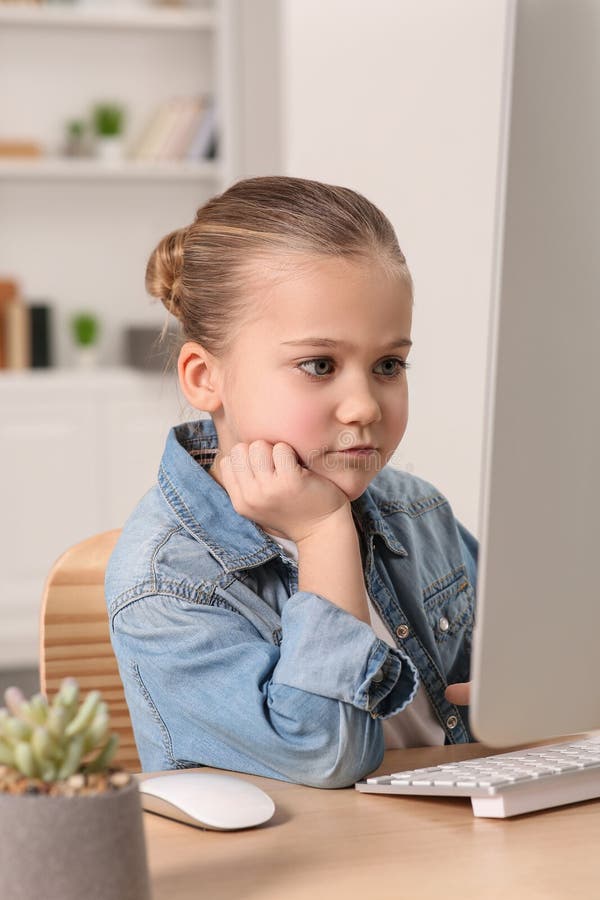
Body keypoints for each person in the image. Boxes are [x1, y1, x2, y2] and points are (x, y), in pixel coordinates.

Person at [105, 175, 477, 788]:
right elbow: (326, 755)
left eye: (388, 364)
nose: (363, 406)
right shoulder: (165, 586)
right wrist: (324, 535)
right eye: (319, 365)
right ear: (204, 377)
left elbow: (520, 672)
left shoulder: (417, 510)